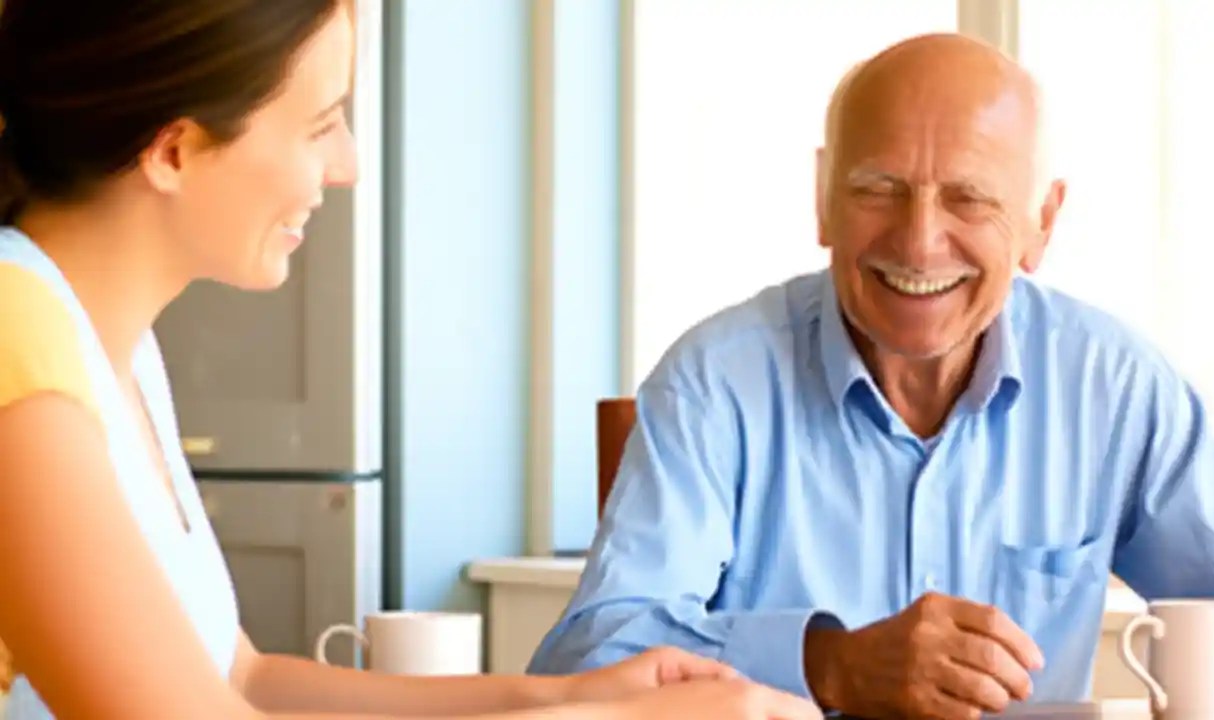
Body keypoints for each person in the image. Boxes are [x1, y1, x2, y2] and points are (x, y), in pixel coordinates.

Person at [0, 2, 824, 719]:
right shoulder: (14, 331)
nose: (347, 165)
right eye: (321, 125)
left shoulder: (118, 348)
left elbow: (239, 678)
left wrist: (581, 694)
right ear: (173, 151)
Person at [527, 31, 1214, 720]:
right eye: (878, 188)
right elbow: (590, 664)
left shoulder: (1109, 386)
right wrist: (829, 665)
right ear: (824, 198)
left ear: (1040, 222)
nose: (920, 244)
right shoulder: (714, 384)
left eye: (969, 197)